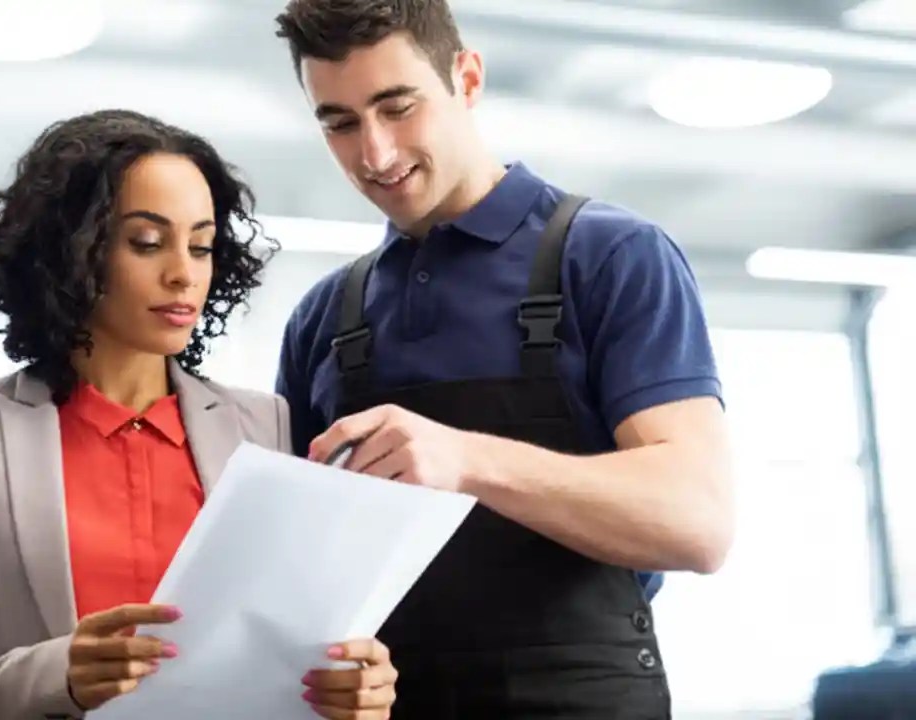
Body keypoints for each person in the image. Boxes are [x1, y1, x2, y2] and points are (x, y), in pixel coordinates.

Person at [273, 1, 735, 717]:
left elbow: (696, 522)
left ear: (467, 77)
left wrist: (465, 461)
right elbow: (297, 571)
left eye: (398, 107)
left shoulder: (611, 257)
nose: (376, 154)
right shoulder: (323, 320)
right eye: (339, 122)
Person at [0, 109, 399, 720]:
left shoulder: (263, 423)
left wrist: (354, 680)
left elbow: (293, 640)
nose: (183, 273)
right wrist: (61, 672)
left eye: (201, 246)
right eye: (147, 242)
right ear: (72, 251)